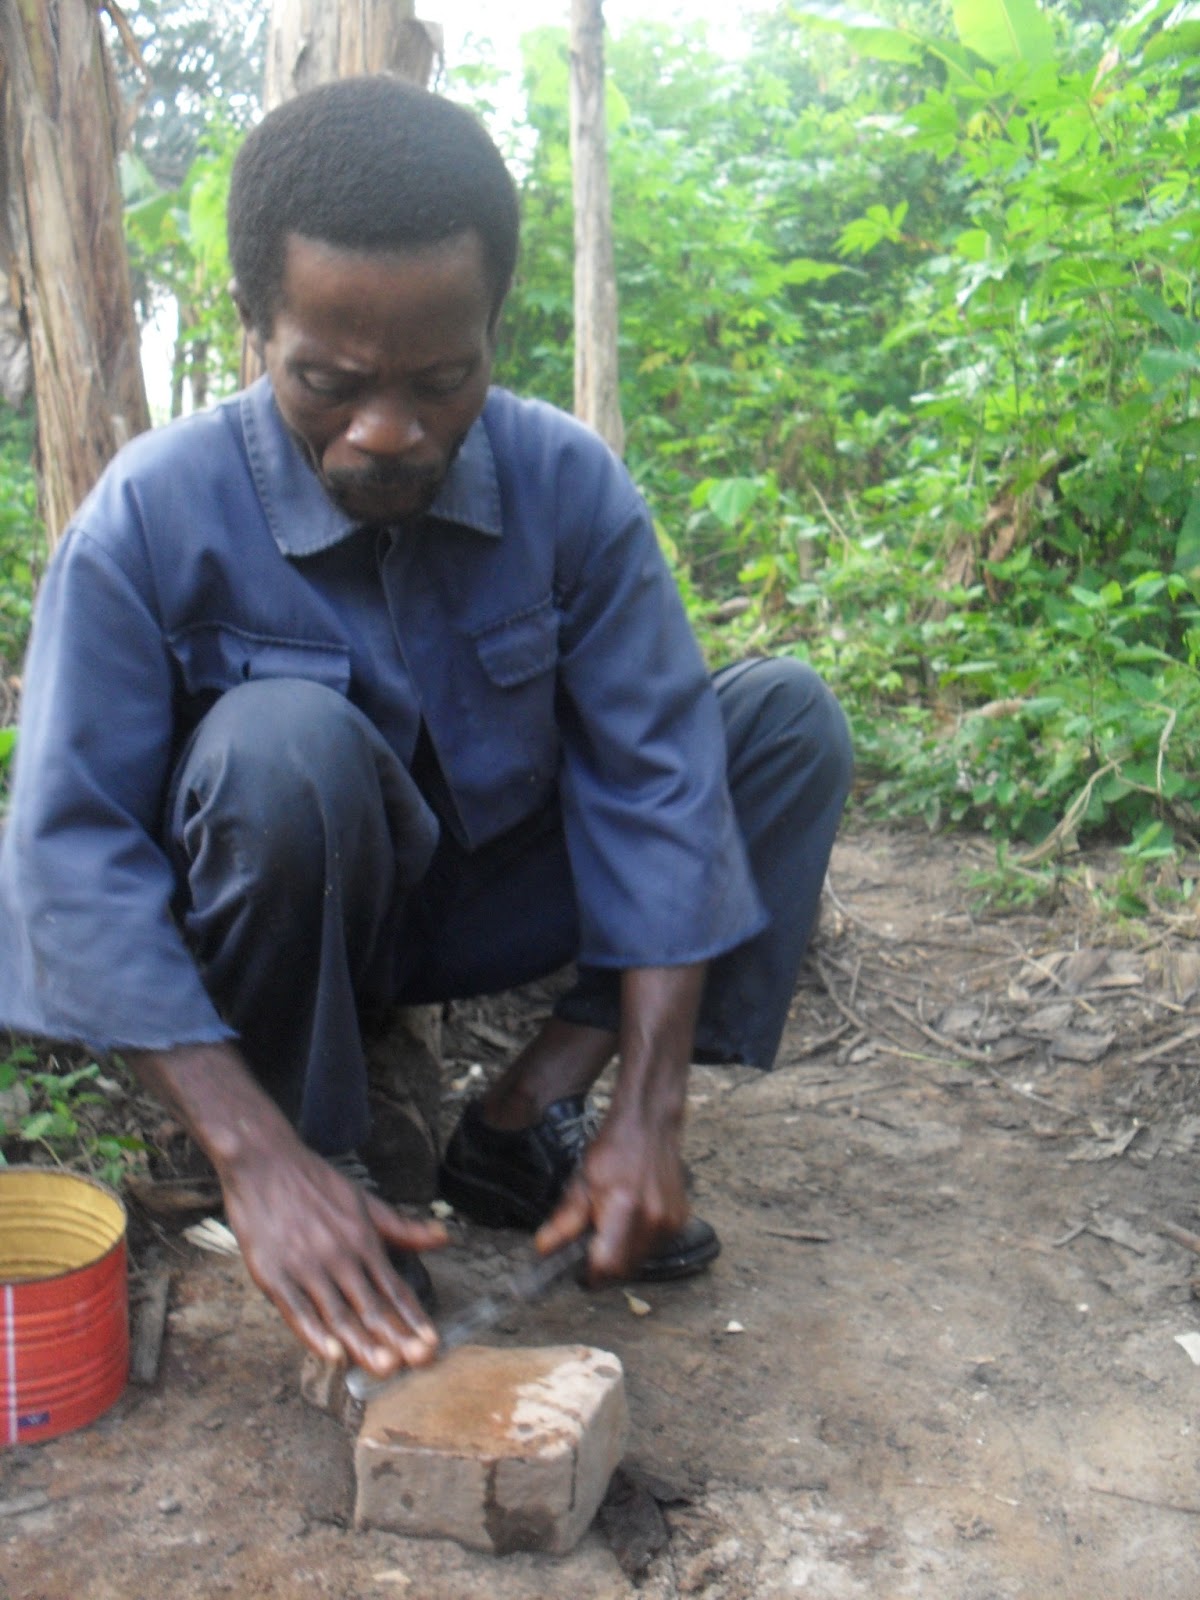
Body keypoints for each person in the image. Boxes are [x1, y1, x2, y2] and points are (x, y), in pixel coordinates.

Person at [0, 77, 852, 1381]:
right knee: (281, 746)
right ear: (252, 327)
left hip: (489, 899)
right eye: (327, 384)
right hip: (288, 916)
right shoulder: (147, 521)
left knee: (779, 725)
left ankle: (528, 1115)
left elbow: (660, 781)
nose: (387, 432)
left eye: (442, 380)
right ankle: (320, 1152)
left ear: (493, 329)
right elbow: (67, 864)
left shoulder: (570, 488)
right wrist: (254, 1157)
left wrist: (651, 1101)